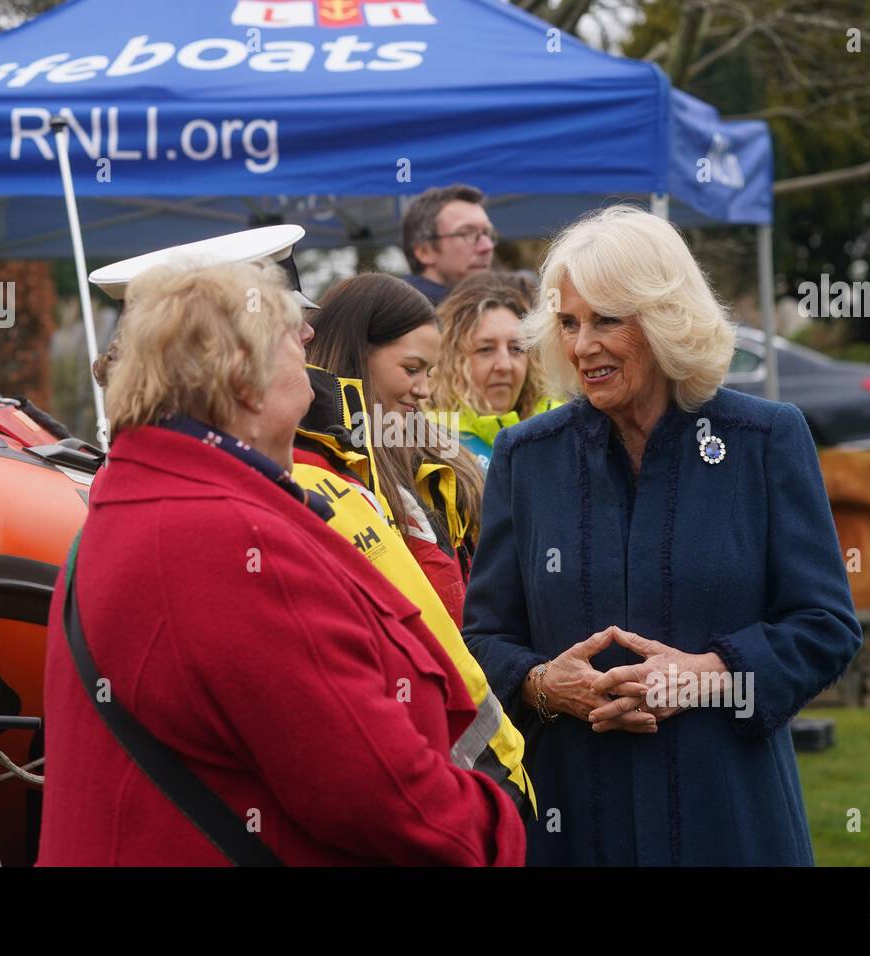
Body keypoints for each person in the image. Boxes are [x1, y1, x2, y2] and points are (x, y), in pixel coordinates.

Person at [38, 260, 525, 865]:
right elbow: (377, 793)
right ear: (243, 378)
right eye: (285, 330)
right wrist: (499, 832)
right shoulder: (228, 539)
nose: (309, 339)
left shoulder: (153, 497)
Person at [462, 205, 862, 866]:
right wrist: (542, 682)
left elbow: (825, 625)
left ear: (666, 319)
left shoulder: (764, 441)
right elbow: (481, 639)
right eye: (567, 323)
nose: (583, 344)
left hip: (728, 819)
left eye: (607, 320)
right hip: (573, 821)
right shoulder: (528, 457)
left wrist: (707, 675)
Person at [304, 273, 485, 627]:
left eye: (429, 373)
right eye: (411, 369)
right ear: (357, 355)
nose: (424, 390)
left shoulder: (436, 450)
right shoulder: (316, 455)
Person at [428, 271, 560, 472]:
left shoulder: (562, 425)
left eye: (516, 348)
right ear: (449, 360)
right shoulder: (428, 440)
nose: (504, 365)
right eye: (486, 349)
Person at [399, 184, 496, 305]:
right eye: (467, 233)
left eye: (487, 233)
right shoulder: (409, 316)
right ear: (425, 252)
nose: (487, 246)